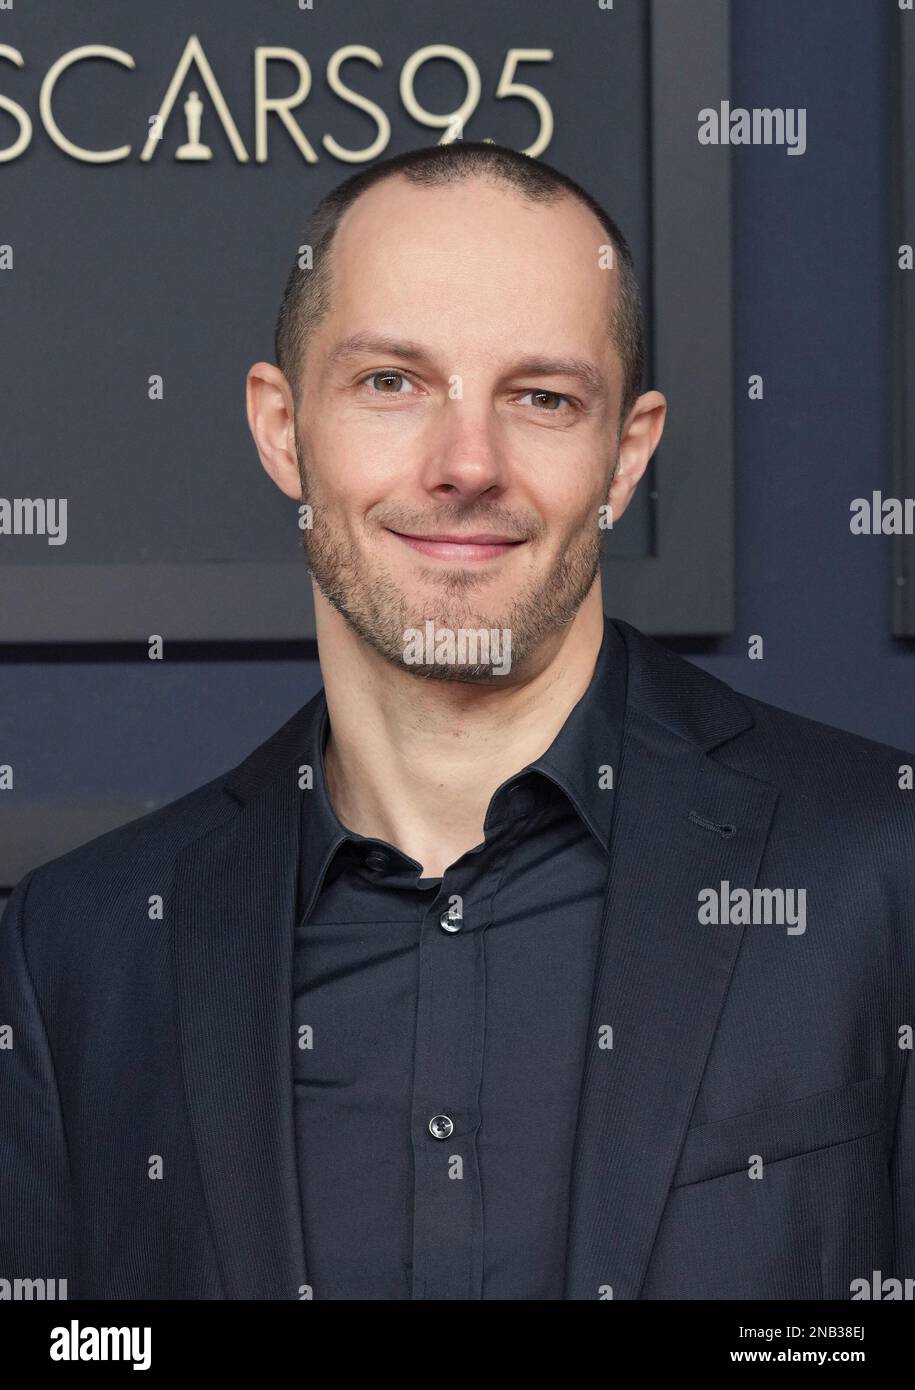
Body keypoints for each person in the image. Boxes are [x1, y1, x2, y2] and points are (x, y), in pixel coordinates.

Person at [1, 142, 912, 1300]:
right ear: (283, 429)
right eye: (392, 382)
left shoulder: (880, 868)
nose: (466, 463)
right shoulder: (83, 949)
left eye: (542, 397)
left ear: (625, 457)